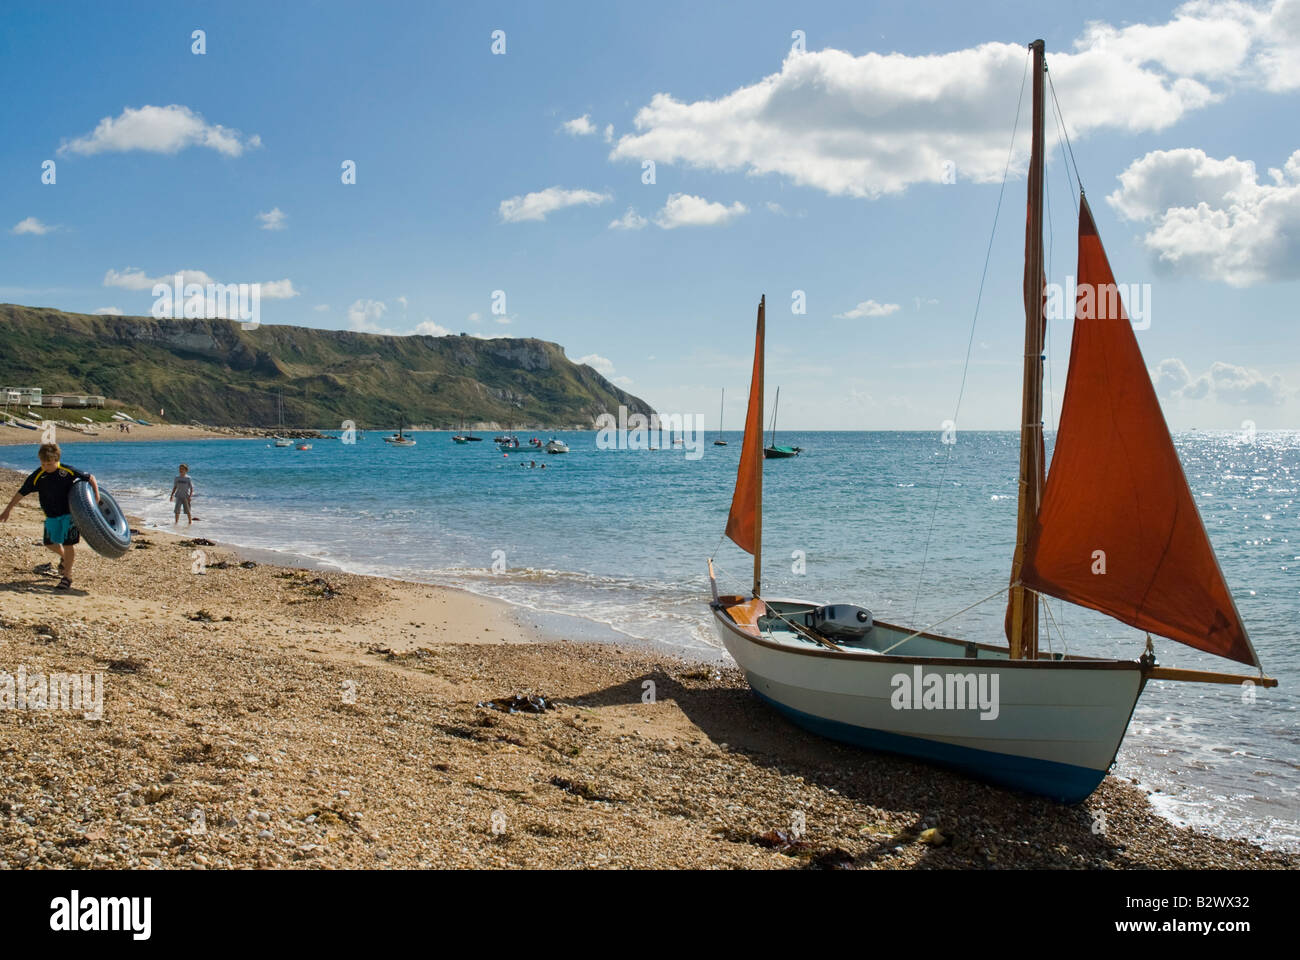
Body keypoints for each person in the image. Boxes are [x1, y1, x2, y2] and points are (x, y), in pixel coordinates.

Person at [0, 442, 99, 591]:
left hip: (70, 514)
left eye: (49, 463)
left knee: (68, 543)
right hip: (51, 515)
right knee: (49, 543)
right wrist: (7, 509)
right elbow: (21, 492)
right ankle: (64, 558)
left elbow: (90, 477)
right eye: (43, 463)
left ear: (56, 459)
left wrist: (96, 497)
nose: (46, 466)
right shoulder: (39, 475)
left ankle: (67, 577)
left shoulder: (67, 471)